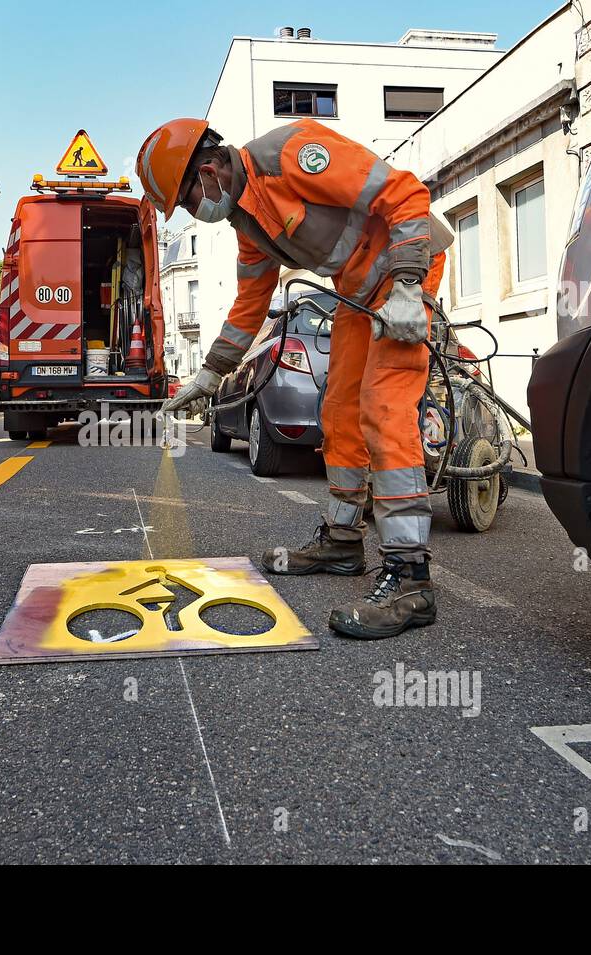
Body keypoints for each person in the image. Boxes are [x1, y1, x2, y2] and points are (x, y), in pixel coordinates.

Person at [138, 117, 448, 640]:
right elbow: (250, 304)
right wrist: (211, 373)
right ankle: (344, 542)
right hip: (355, 291)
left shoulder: (293, 153)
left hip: (403, 275)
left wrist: (409, 286)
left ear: (209, 171)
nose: (194, 214)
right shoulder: (249, 225)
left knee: (383, 408)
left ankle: (410, 578)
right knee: (338, 413)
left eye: (188, 202)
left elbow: (405, 194)